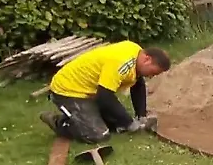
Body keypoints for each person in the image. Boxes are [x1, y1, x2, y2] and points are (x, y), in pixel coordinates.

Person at [39, 41, 171, 143]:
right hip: (68, 90)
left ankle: (89, 116)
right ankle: (59, 122)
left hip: (92, 90)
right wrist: (129, 123)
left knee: (117, 125)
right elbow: (104, 97)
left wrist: (141, 116)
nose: (151, 77)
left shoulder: (135, 52)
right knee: (99, 135)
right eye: (153, 72)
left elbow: (138, 83)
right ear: (147, 59)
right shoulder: (121, 62)